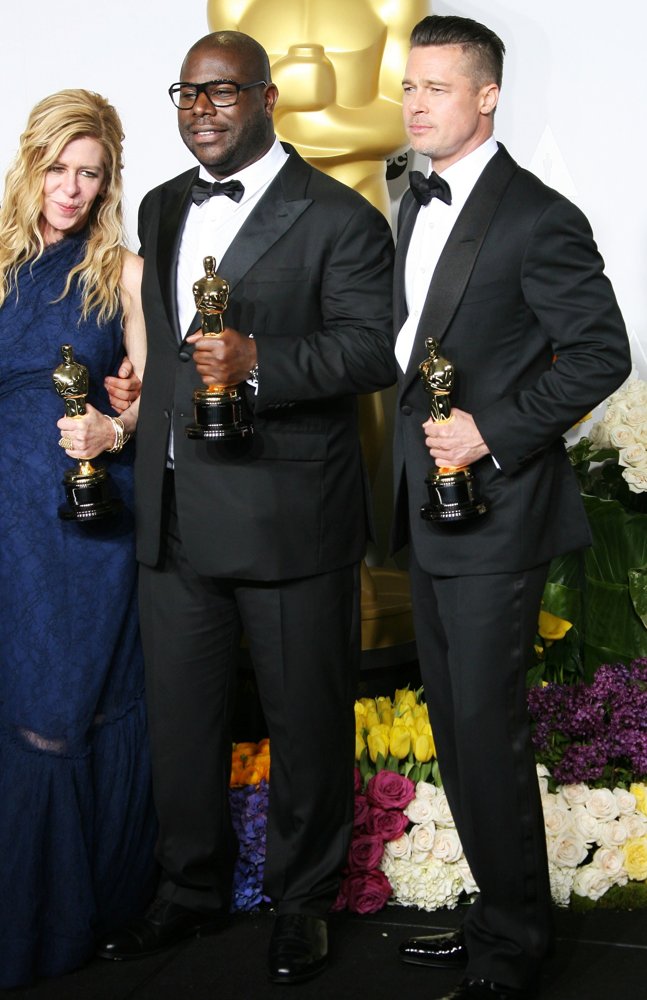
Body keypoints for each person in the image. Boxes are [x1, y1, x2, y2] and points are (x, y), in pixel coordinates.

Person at [96, 30, 395, 984]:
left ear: (268, 99)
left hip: (286, 513)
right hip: (173, 509)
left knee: (305, 719)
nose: (201, 112)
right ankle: (187, 892)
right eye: (187, 95)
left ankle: (302, 902)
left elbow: (367, 353)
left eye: (222, 95)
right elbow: (171, 346)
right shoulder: (159, 203)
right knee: (181, 719)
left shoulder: (341, 216)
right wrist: (138, 402)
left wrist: (259, 362)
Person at [391, 15, 631, 1000]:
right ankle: (498, 914)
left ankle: (516, 946)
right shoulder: (406, 199)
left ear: (485, 96)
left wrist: (490, 428)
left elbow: (601, 350)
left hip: (494, 508)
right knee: (453, 725)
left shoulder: (536, 215)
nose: (414, 103)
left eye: (436, 87)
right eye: (408, 85)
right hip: (424, 507)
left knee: (486, 726)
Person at [0, 89, 156, 989]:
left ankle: (70, 917)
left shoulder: (124, 274)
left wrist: (115, 430)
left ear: (108, 181)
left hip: (81, 522)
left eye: (90, 173)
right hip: (5, 519)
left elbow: (151, 399)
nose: (72, 187)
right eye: (59, 168)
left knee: (60, 715)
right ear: (32, 163)